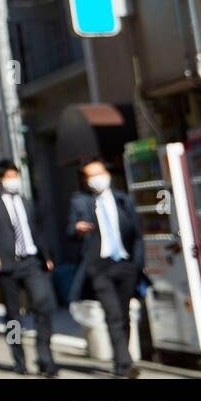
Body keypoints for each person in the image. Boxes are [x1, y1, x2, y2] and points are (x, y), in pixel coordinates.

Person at [0, 160, 58, 377]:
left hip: (31, 261)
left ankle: (45, 356)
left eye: (16, 175)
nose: (13, 180)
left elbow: (35, 230)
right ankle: (18, 358)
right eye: (9, 176)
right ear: (0, 179)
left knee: (44, 305)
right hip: (6, 264)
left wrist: (46, 256)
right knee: (13, 315)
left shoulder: (27, 202)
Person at [67, 157, 145, 378]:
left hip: (125, 264)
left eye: (99, 173)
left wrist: (137, 264)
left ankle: (122, 359)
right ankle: (124, 363)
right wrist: (78, 229)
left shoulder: (123, 200)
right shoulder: (80, 202)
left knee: (124, 314)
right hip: (99, 267)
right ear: (85, 180)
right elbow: (70, 233)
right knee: (113, 314)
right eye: (91, 176)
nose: (97, 179)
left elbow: (138, 235)